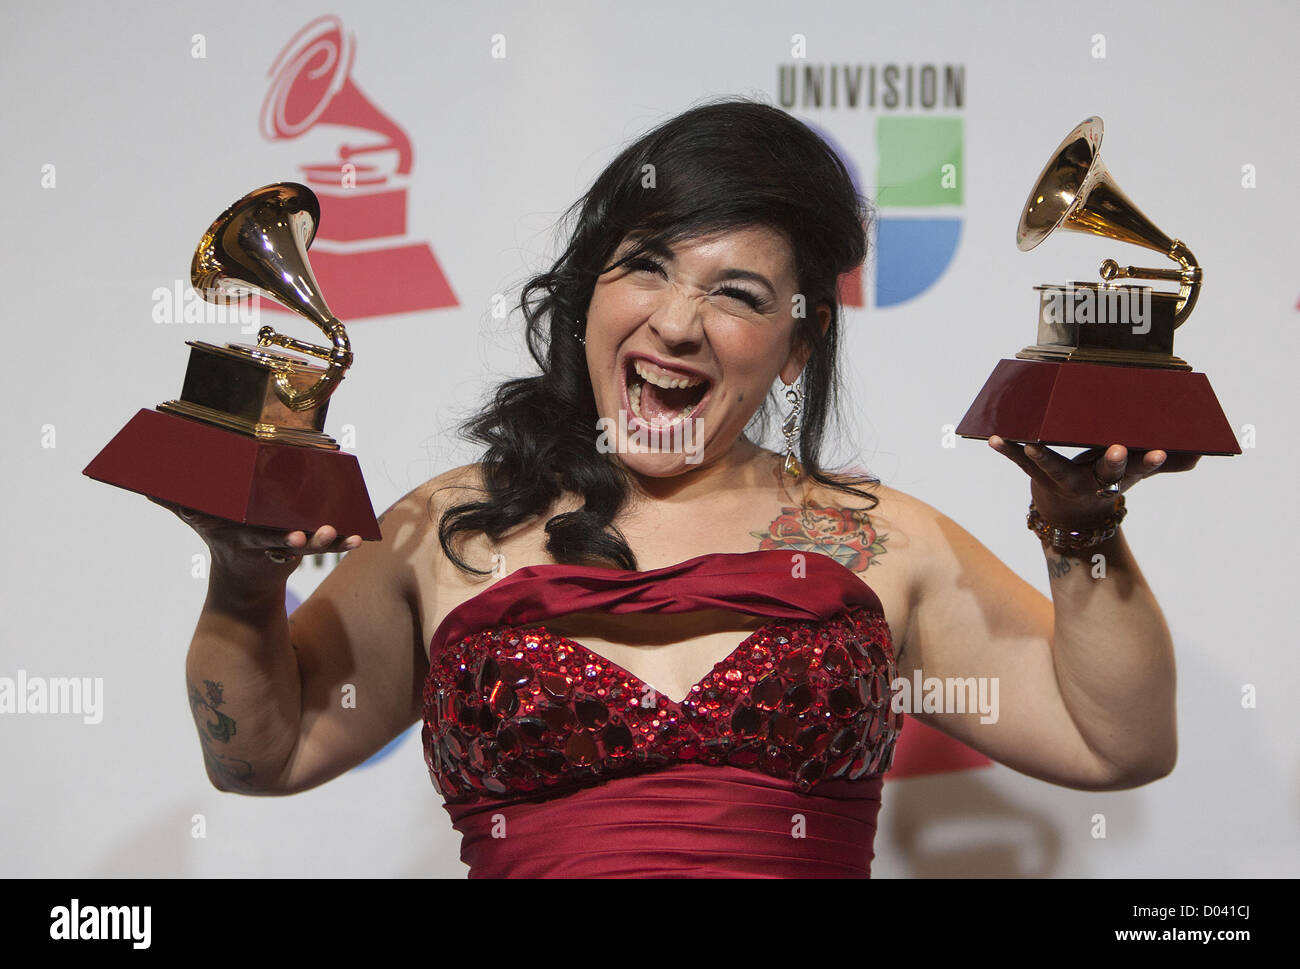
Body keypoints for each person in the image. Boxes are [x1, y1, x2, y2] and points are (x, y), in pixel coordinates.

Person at [156, 95, 1198, 878]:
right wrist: (243, 584)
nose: (677, 322)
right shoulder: (443, 529)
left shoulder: (886, 545)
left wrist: (1085, 532)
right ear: (584, 297)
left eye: (737, 294)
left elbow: (1115, 742)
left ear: (795, 348)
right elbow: (261, 757)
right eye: (645, 266)